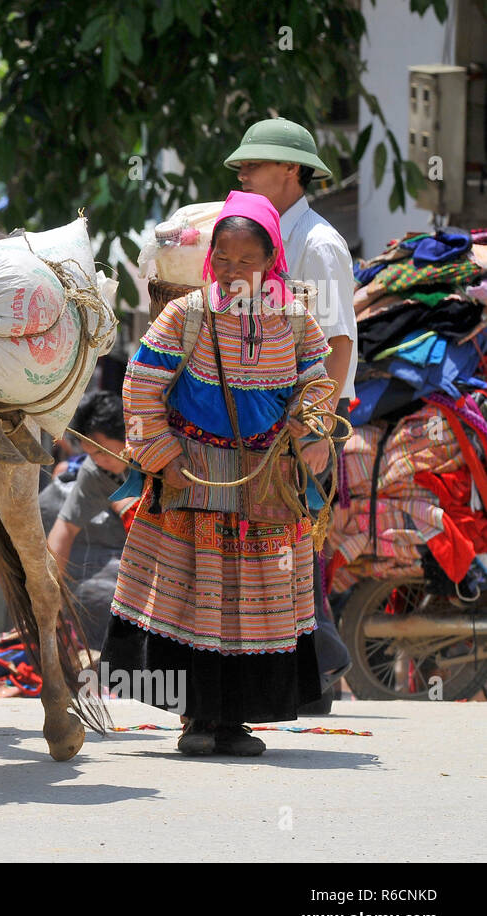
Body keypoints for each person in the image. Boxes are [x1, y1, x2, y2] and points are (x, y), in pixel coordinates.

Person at [102, 190, 331, 757]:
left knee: (255, 605)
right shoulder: (187, 315)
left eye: (245, 262)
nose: (232, 272)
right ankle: (197, 719)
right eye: (222, 260)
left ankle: (237, 722)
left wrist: (313, 433)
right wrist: (160, 455)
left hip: (268, 481)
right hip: (195, 478)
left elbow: (316, 386)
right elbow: (141, 385)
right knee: (199, 598)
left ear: (270, 260)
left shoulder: (296, 318)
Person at [226, 117, 356, 705]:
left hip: (300, 420)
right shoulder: (265, 236)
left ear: (290, 171)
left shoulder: (316, 244)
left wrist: (316, 428)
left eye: (253, 165)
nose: (243, 174)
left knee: (288, 547)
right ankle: (307, 674)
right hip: (265, 419)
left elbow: (336, 343)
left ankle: (316, 667)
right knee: (279, 545)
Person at [45, 391, 137, 651]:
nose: (99, 460)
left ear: (127, 435)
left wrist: (127, 505)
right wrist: (50, 600)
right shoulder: (96, 470)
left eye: (104, 451)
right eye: (91, 454)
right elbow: (64, 529)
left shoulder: (159, 454)